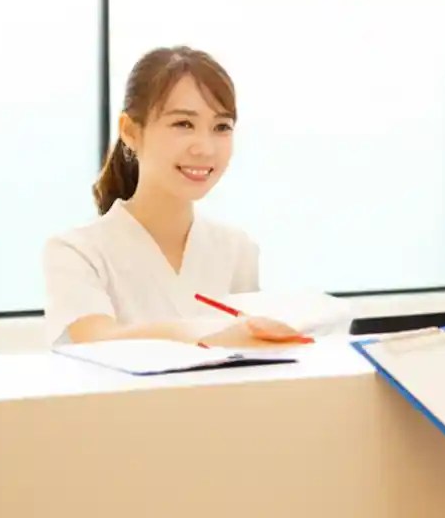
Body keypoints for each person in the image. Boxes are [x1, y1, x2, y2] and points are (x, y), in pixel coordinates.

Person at [43, 46, 304, 348]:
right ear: (130, 131)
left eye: (221, 127)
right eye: (183, 124)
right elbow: (98, 340)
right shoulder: (77, 252)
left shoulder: (237, 249)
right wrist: (211, 336)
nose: (204, 148)